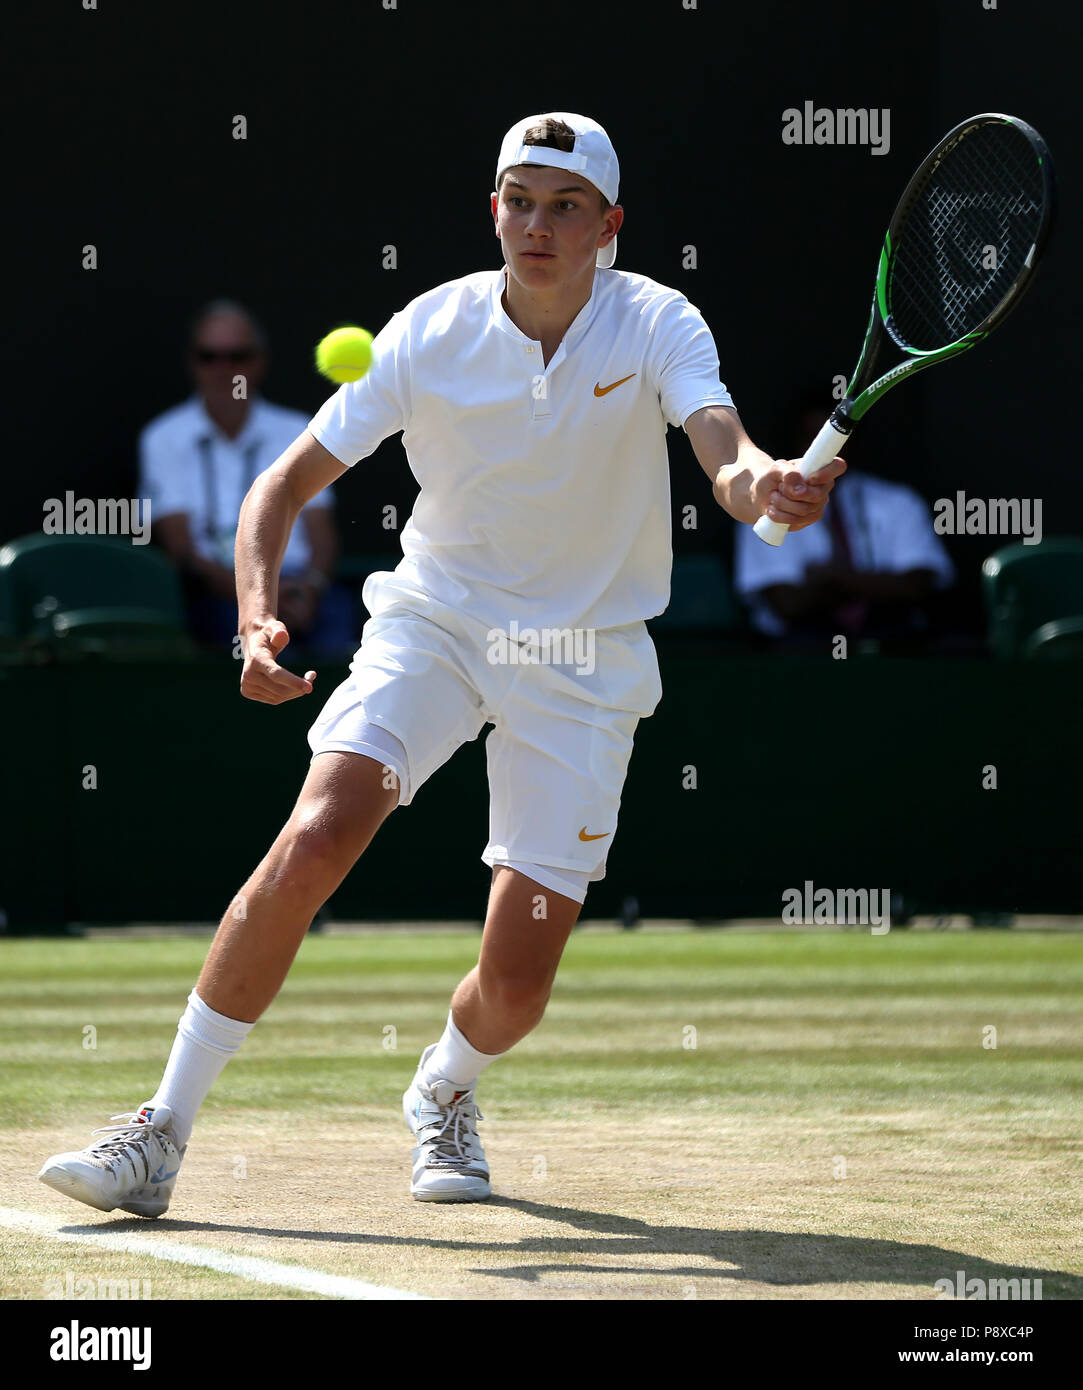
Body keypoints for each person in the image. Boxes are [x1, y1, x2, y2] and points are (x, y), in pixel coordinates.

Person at [39, 113, 845, 1215]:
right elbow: (276, 490)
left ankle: (444, 1087)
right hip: (441, 620)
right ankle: (160, 1129)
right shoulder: (429, 330)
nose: (538, 225)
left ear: (610, 226)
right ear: (494, 211)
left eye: (566, 206)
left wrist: (765, 487)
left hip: (584, 654)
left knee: (514, 991)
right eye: (519, 199)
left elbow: (725, 451)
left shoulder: (659, 320)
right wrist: (256, 620)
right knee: (319, 830)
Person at [138, 300, 358, 654]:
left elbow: (322, 533)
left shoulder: (298, 429)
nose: (224, 369)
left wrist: (309, 590)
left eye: (237, 357)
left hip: (301, 590)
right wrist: (260, 602)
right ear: (193, 363)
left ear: (259, 362)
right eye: (209, 357)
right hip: (218, 595)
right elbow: (181, 548)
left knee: (341, 639)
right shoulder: (163, 437)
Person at [734, 402, 955, 648]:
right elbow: (788, 603)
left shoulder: (899, 501)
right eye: (813, 439)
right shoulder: (769, 505)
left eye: (836, 440)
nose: (823, 453)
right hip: (802, 653)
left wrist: (832, 578)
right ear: (795, 441)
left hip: (892, 644)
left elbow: (917, 586)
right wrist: (872, 584)